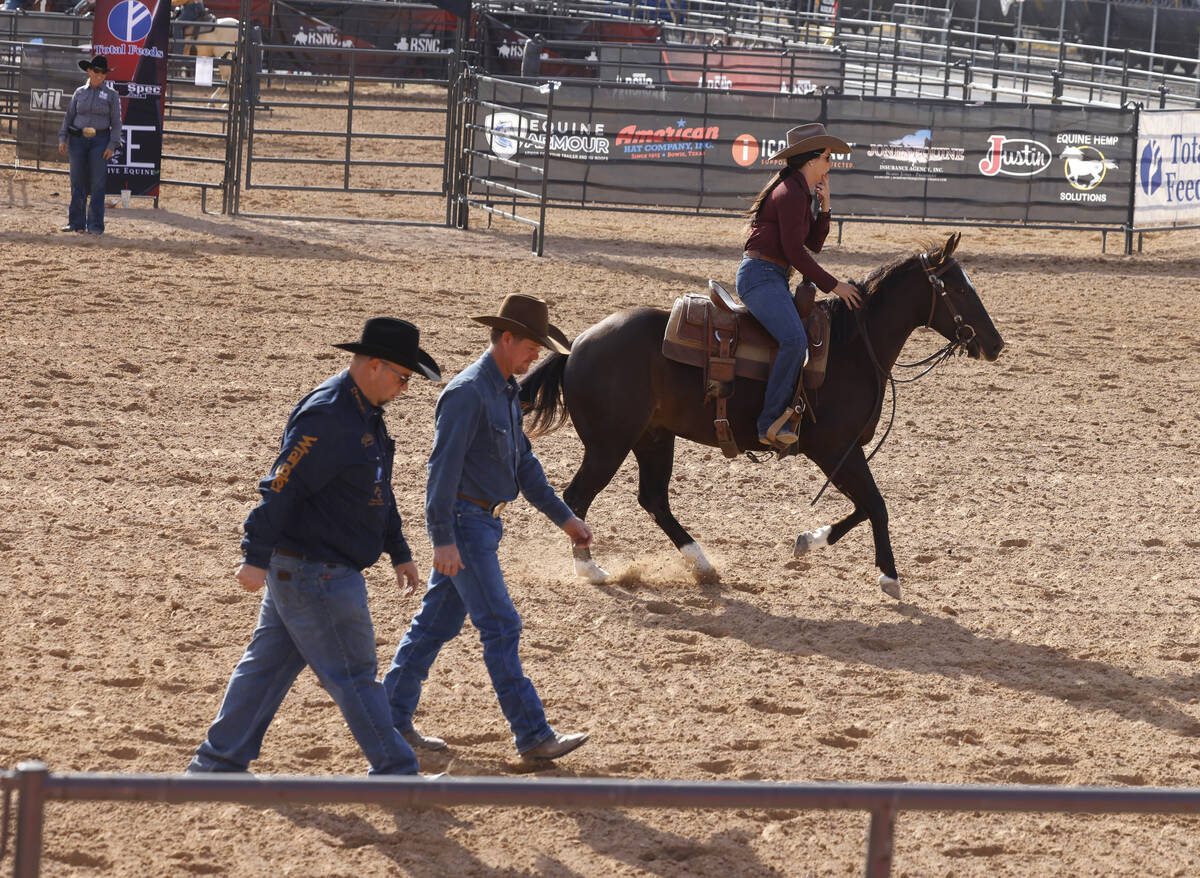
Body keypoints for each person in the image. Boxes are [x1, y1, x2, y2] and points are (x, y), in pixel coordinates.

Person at [187, 318, 441, 776]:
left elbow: (375, 488)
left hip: (306, 569)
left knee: (265, 669)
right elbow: (281, 486)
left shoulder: (363, 410)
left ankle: (215, 766)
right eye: (403, 377)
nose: (405, 389)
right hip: (316, 571)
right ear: (375, 366)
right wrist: (254, 555)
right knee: (355, 675)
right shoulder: (329, 416)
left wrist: (398, 548)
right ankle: (398, 775)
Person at [384, 294, 593, 762]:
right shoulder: (467, 393)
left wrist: (565, 518)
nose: (535, 356)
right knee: (501, 624)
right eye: (531, 346)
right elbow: (440, 472)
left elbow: (525, 466)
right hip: (465, 527)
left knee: (434, 626)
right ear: (507, 338)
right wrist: (442, 539)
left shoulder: (504, 391)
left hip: (482, 525)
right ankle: (533, 735)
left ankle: (389, 718)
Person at [738, 122, 863, 450]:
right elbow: (795, 252)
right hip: (761, 277)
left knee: (794, 337)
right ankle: (769, 422)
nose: (830, 164)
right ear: (811, 160)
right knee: (794, 340)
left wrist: (825, 207)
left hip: (769, 276)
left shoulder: (796, 191)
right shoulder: (791, 192)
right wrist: (834, 286)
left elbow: (813, 244)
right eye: (827, 157)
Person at [57, 55, 121, 235]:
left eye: (104, 72)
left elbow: (116, 123)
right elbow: (69, 117)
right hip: (77, 139)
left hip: (100, 140)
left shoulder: (112, 95)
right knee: (77, 181)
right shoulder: (79, 93)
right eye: (97, 71)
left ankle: (95, 226)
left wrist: (112, 144)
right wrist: (63, 137)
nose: (100, 75)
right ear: (90, 71)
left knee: (98, 183)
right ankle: (76, 223)